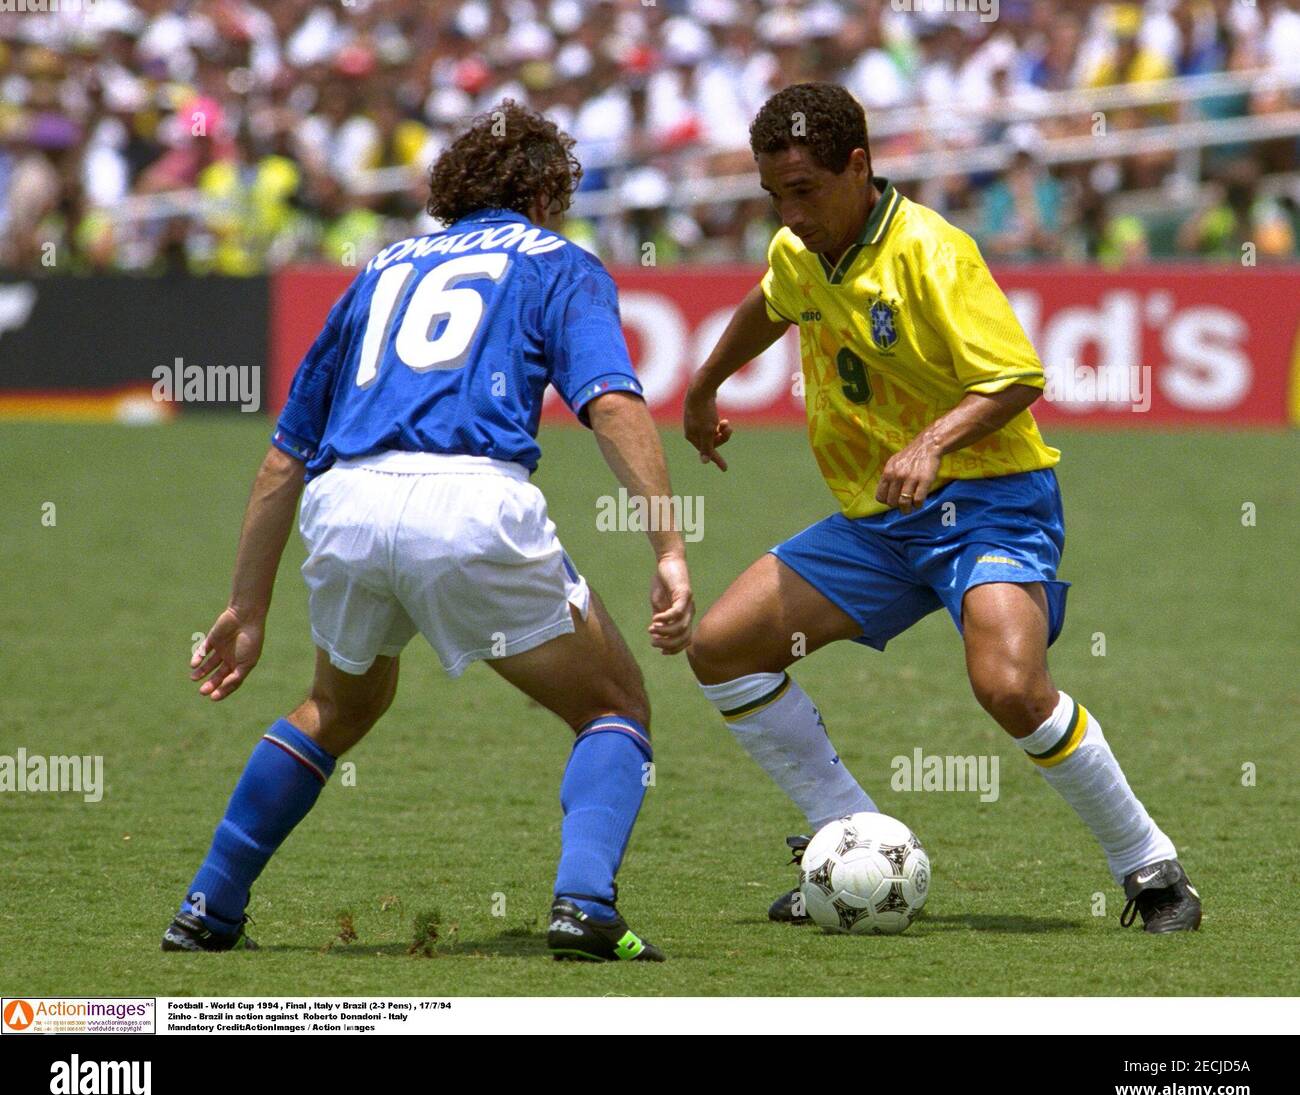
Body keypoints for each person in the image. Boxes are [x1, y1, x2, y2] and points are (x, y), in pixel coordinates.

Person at [164, 101, 693, 962]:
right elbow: (613, 403)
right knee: (613, 704)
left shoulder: (382, 269)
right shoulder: (561, 262)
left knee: (340, 705)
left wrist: (244, 608)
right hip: (470, 502)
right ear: (549, 191)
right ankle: (586, 902)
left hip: (347, 502)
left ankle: (206, 905)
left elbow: (282, 459)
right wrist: (668, 548)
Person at [682, 83, 1200, 935]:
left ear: (859, 166)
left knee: (1008, 686)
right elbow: (772, 300)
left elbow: (1016, 377)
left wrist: (930, 444)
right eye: (774, 194)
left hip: (990, 501)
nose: (789, 212)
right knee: (722, 649)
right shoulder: (799, 248)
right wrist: (705, 383)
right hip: (881, 517)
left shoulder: (933, 251)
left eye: (804, 191)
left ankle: (1150, 870)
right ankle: (852, 843)